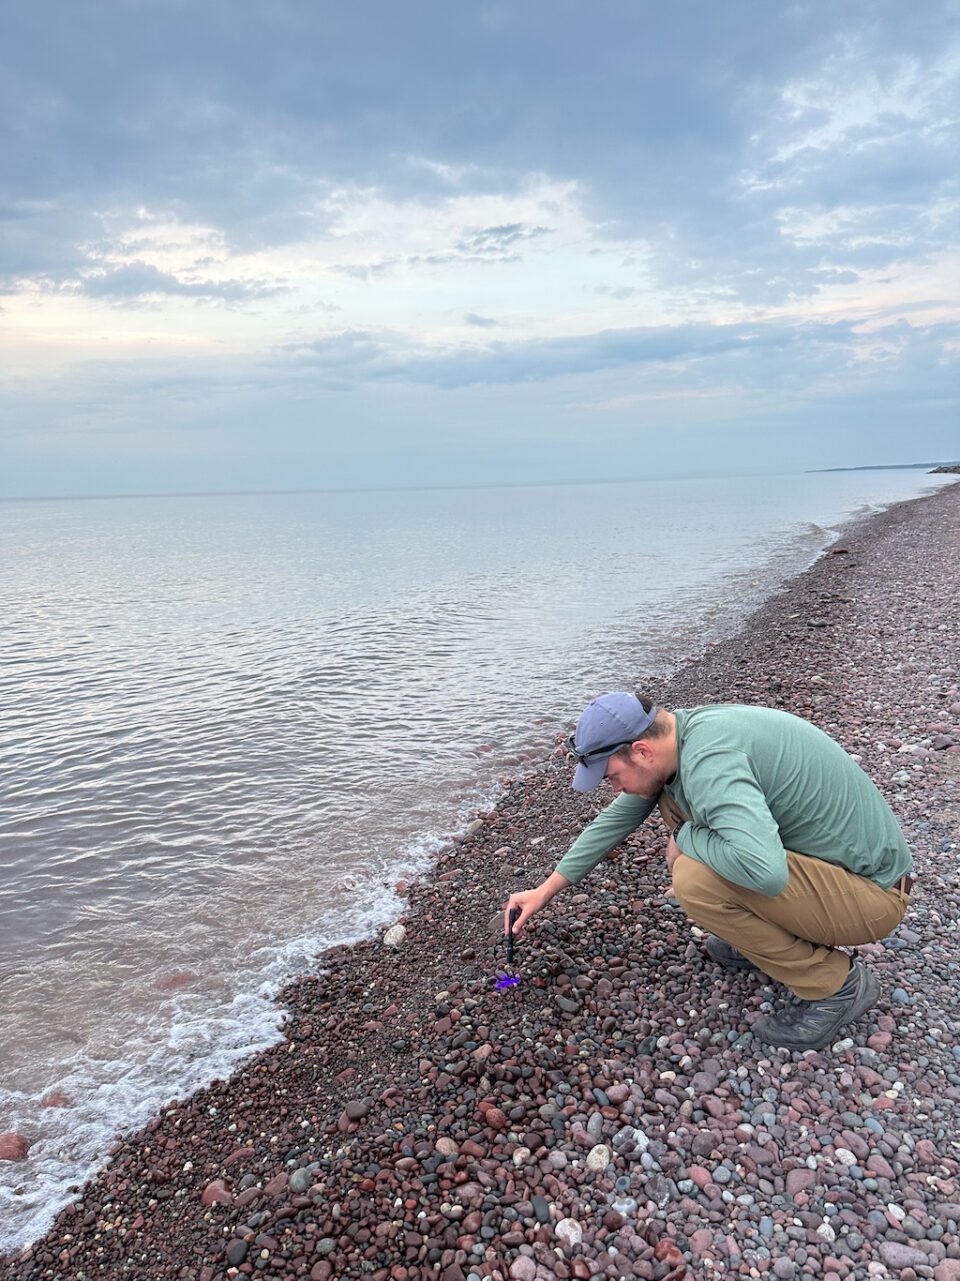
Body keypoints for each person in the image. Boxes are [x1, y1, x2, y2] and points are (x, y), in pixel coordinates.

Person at [504, 693, 913, 1051]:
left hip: (872, 897)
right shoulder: (682, 737)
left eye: (612, 777)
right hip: (838, 874)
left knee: (694, 880)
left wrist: (685, 835)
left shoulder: (709, 764)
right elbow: (614, 822)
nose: (614, 788)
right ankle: (763, 936)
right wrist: (545, 890)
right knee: (686, 834)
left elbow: (765, 872)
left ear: (641, 750)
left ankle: (836, 986)